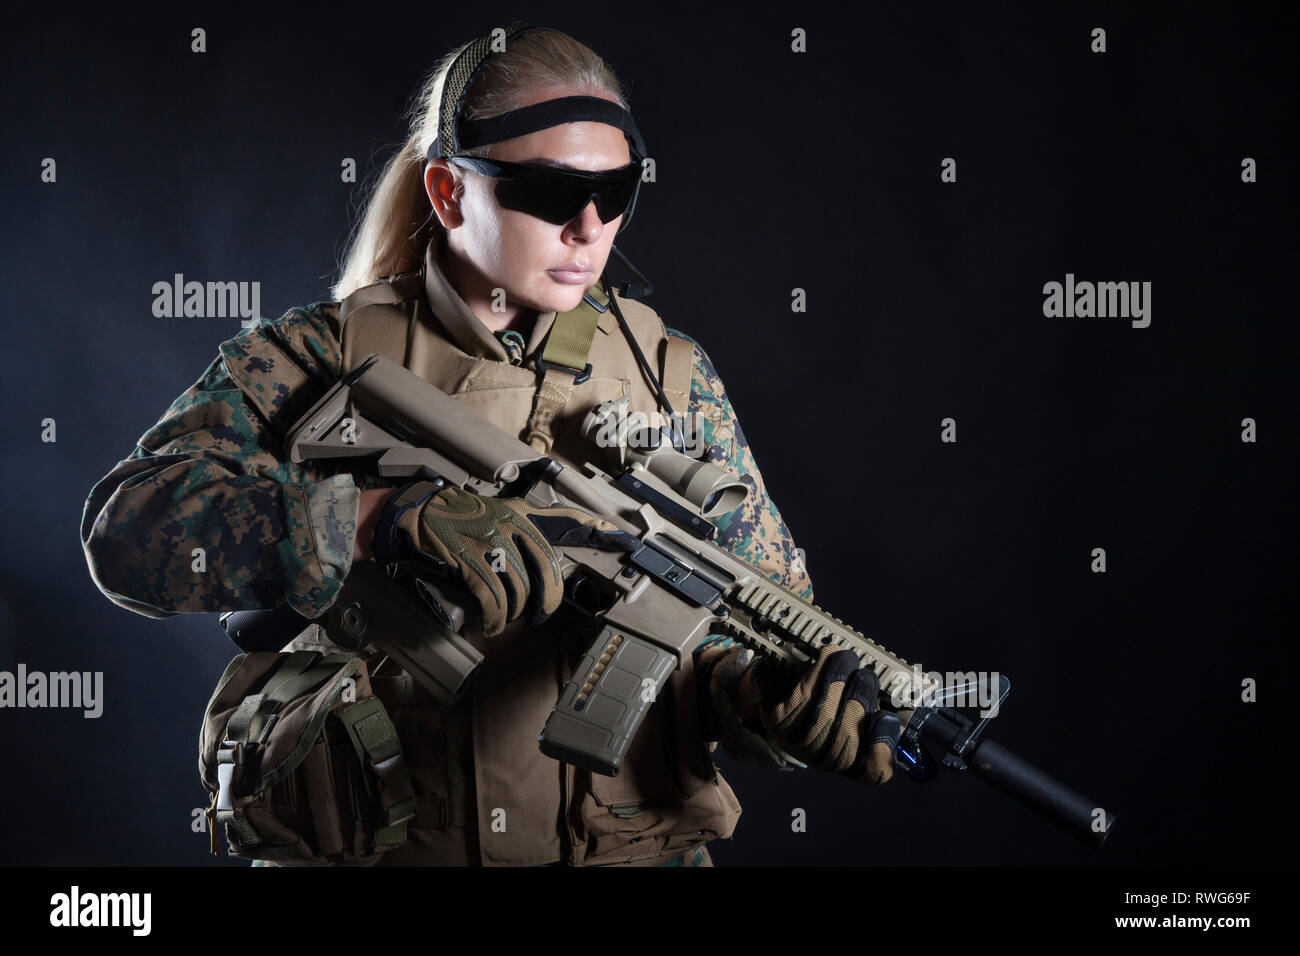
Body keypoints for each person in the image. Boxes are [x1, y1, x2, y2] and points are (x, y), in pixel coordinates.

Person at [80, 23, 899, 867]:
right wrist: (372, 520)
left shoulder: (668, 375)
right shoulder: (320, 354)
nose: (589, 227)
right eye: (549, 192)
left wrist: (779, 706)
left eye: (616, 192)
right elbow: (127, 534)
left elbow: (744, 622)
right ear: (448, 192)